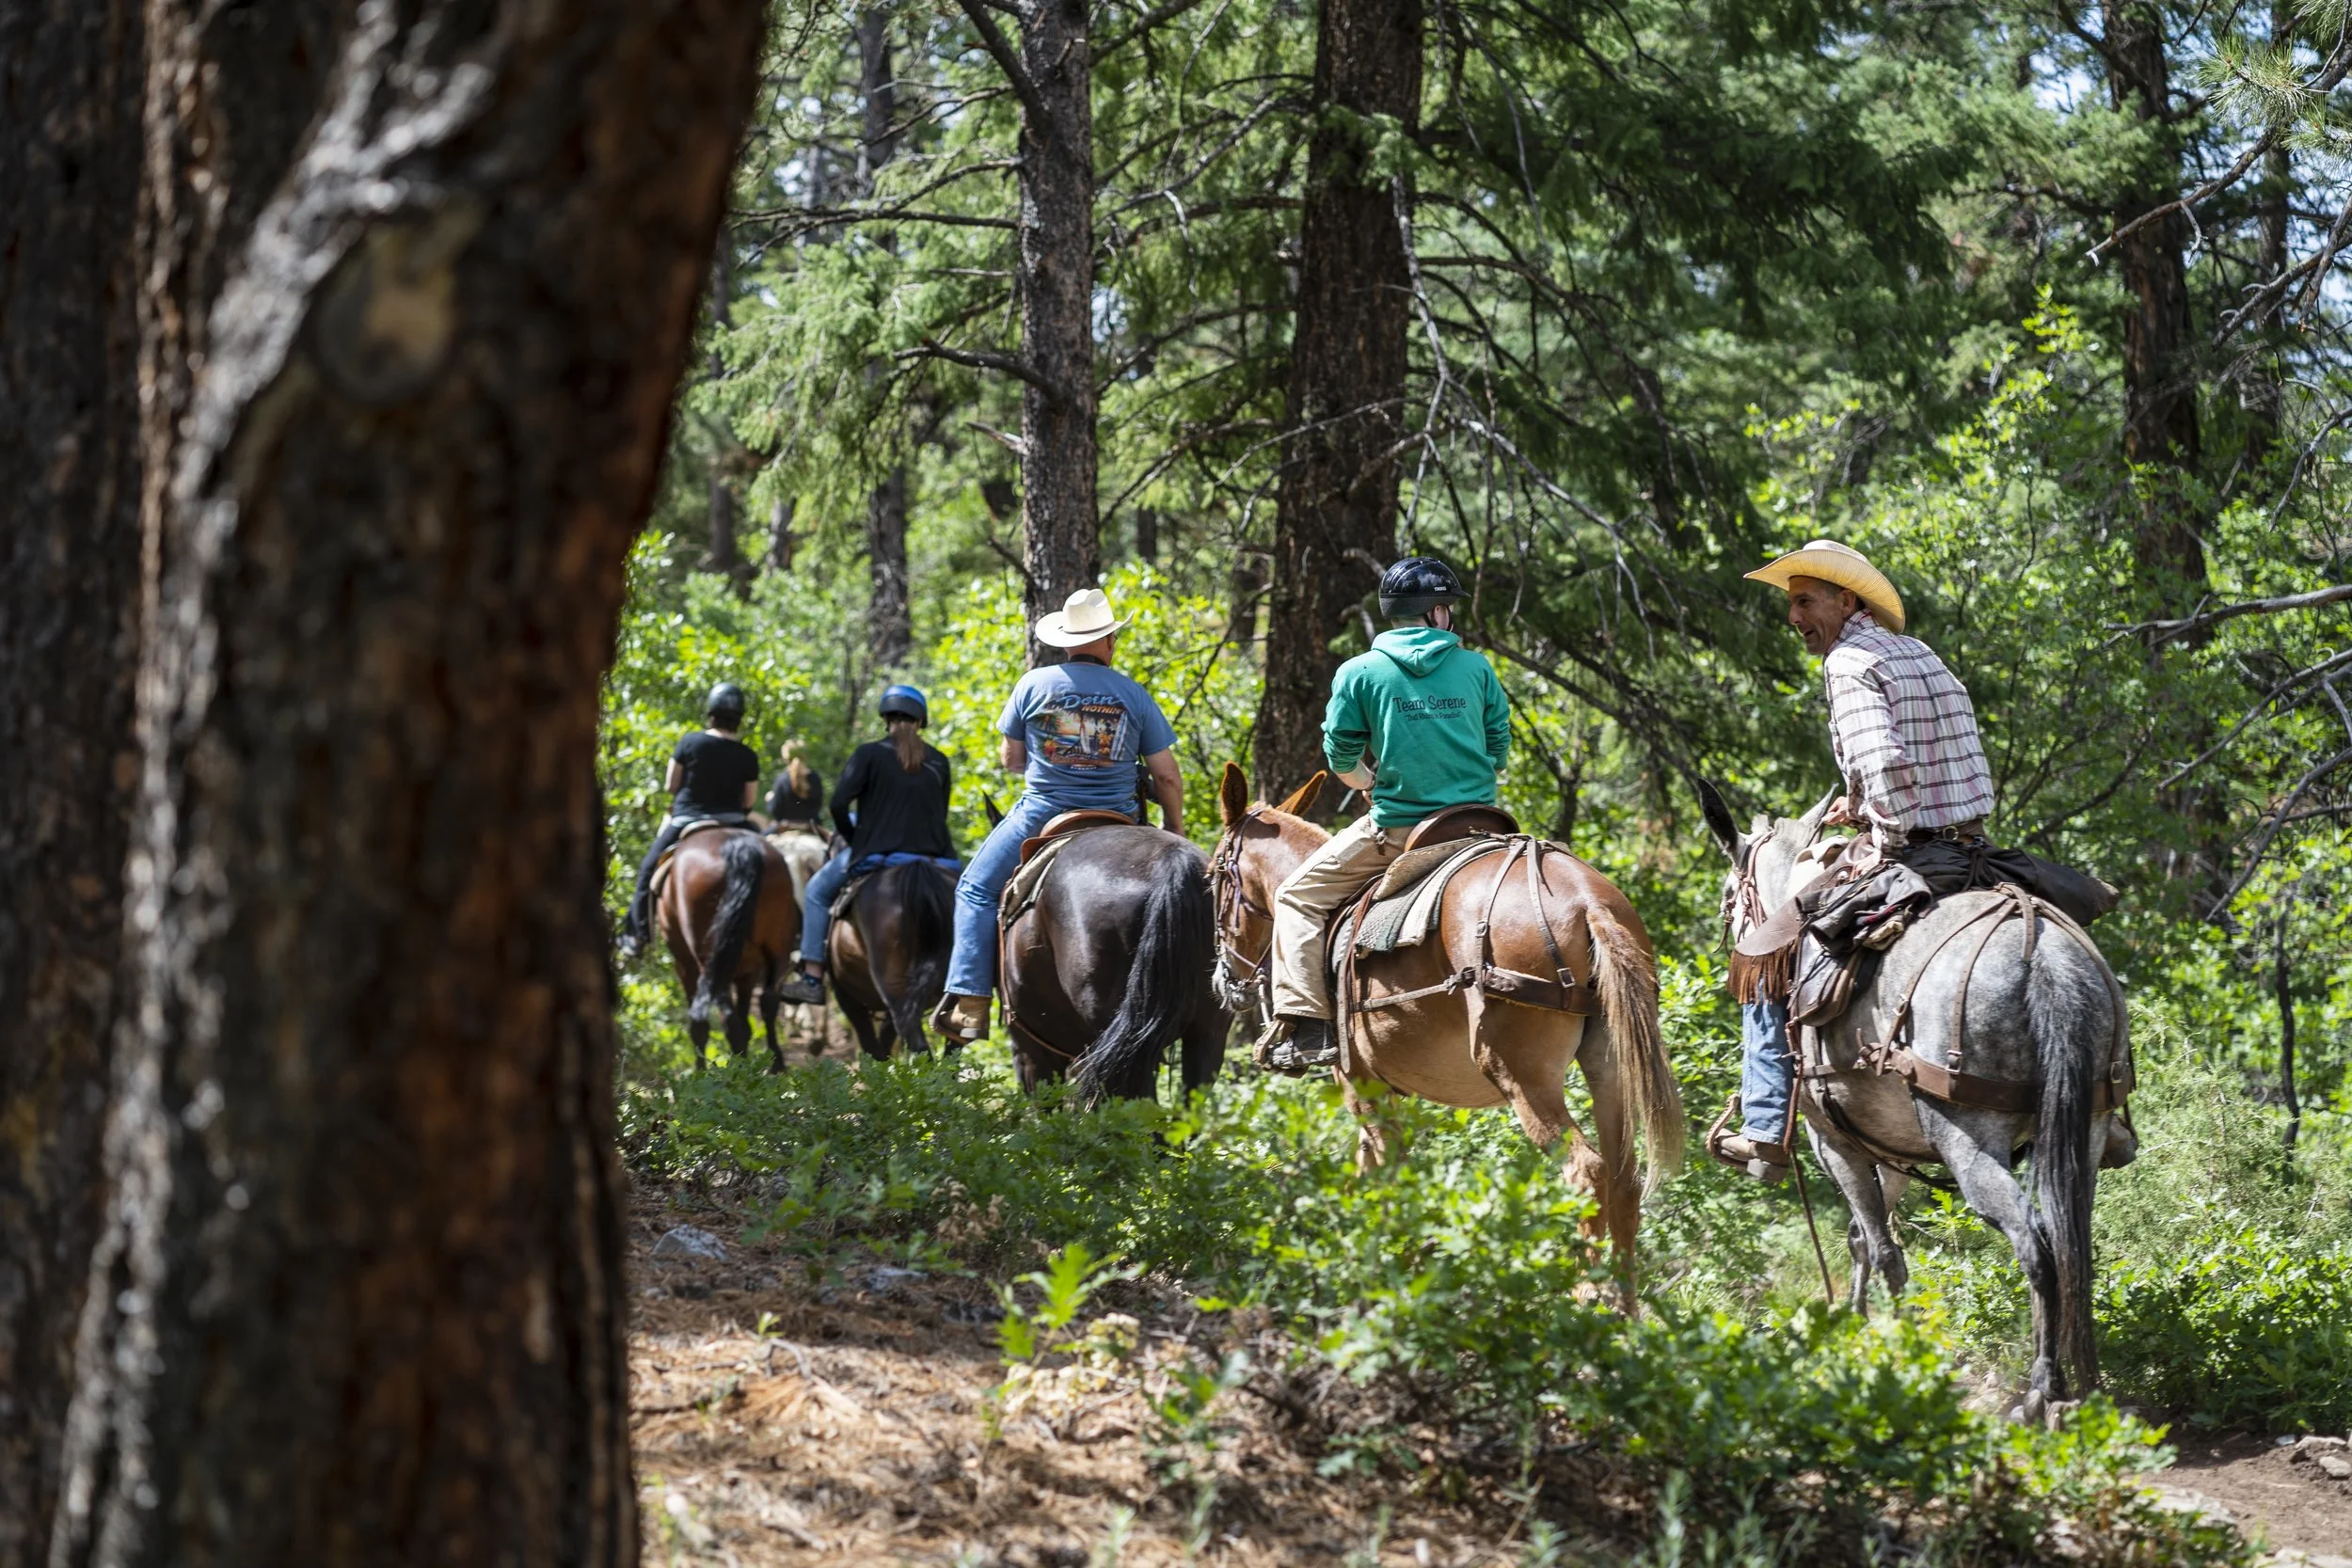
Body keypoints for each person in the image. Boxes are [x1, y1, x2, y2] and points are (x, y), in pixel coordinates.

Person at [1713, 540, 1995, 1171]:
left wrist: (1884, 838)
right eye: (1791, 604)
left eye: (1804, 600)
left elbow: (1885, 760)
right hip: (1973, 844)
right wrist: (1858, 803)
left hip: (1913, 852)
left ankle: (1765, 1122)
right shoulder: (1921, 653)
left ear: (1846, 598)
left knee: (1769, 946)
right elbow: (1954, 758)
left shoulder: (1846, 662)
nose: (1793, 616)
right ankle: (2104, 1114)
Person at [1261, 558, 1512, 1070]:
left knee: (1296, 897)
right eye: (1449, 609)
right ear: (1437, 612)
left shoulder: (1359, 672)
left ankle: (1308, 1024)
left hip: (1402, 830)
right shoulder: (1476, 667)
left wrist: (1370, 784)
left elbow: (1340, 759)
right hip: (1482, 823)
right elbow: (1499, 747)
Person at [929, 588, 1184, 1042]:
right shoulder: (1134, 694)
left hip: (1042, 815)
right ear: (1109, 642)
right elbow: (1166, 778)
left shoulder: (1033, 684)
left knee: (974, 890)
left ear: (1067, 641)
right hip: (1117, 816)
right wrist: (1176, 830)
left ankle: (969, 1001)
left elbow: (1011, 760)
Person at [771, 686, 957, 1004]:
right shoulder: (938, 761)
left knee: (816, 892)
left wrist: (856, 841)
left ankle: (813, 979)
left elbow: (839, 805)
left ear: (886, 719)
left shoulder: (869, 755)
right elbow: (939, 813)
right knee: (977, 899)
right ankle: (978, 981)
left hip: (878, 854)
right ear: (920, 721)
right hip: (936, 860)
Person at [619, 682, 764, 958]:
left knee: (647, 870)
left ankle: (638, 935)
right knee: (773, 859)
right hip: (735, 823)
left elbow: (670, 785)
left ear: (710, 712)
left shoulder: (689, 742)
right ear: (739, 717)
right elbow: (748, 802)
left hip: (687, 820)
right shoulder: (748, 755)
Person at [763, 739, 827, 832]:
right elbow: (818, 805)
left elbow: (775, 810)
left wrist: (769, 800)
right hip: (811, 827)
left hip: (786, 827)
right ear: (805, 756)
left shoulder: (782, 779)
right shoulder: (815, 778)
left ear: (786, 758)